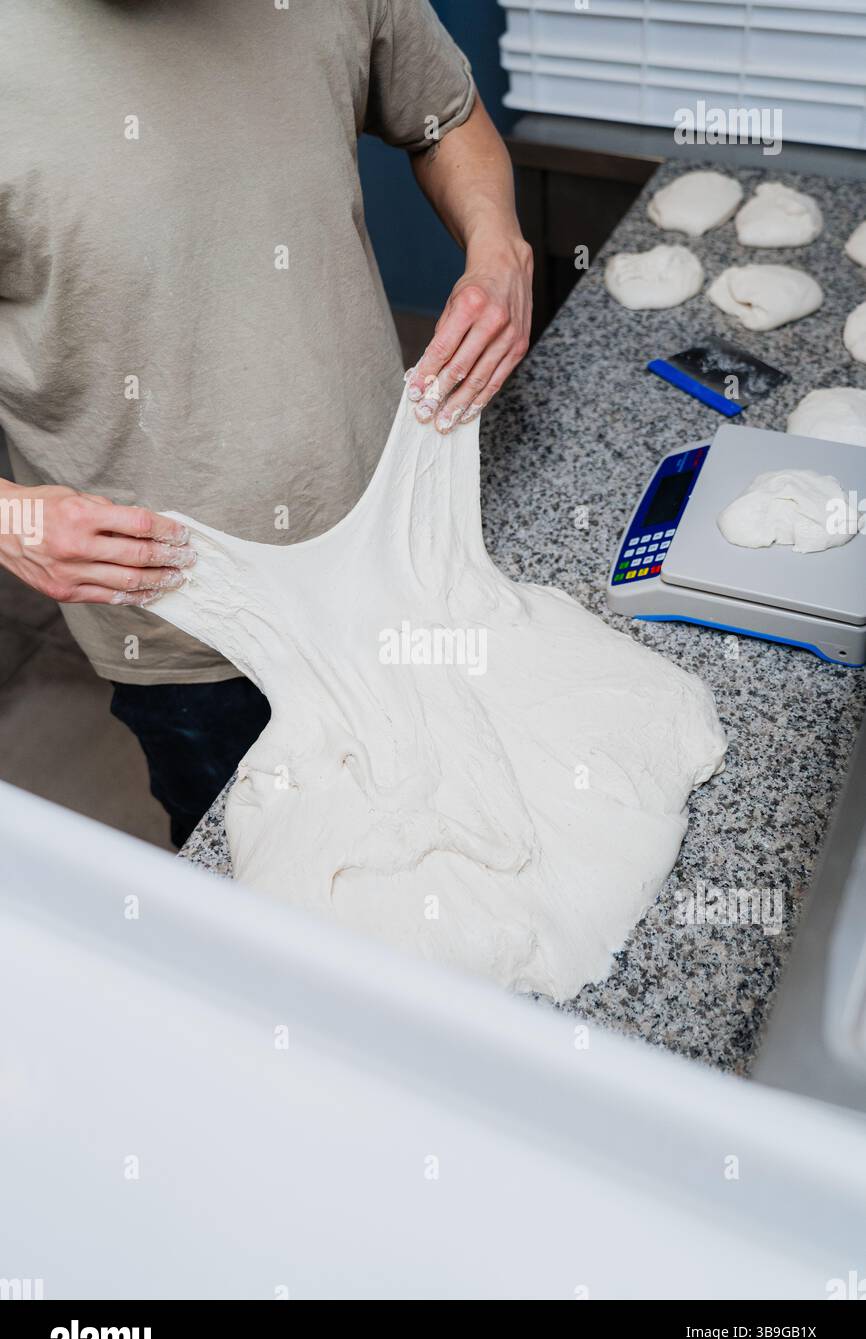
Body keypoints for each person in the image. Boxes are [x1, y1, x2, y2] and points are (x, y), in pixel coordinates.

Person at [0, 0, 531, 847]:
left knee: (472, 833)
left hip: (407, 538)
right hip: (190, 624)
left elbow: (445, 118)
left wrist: (499, 246)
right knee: (273, 903)